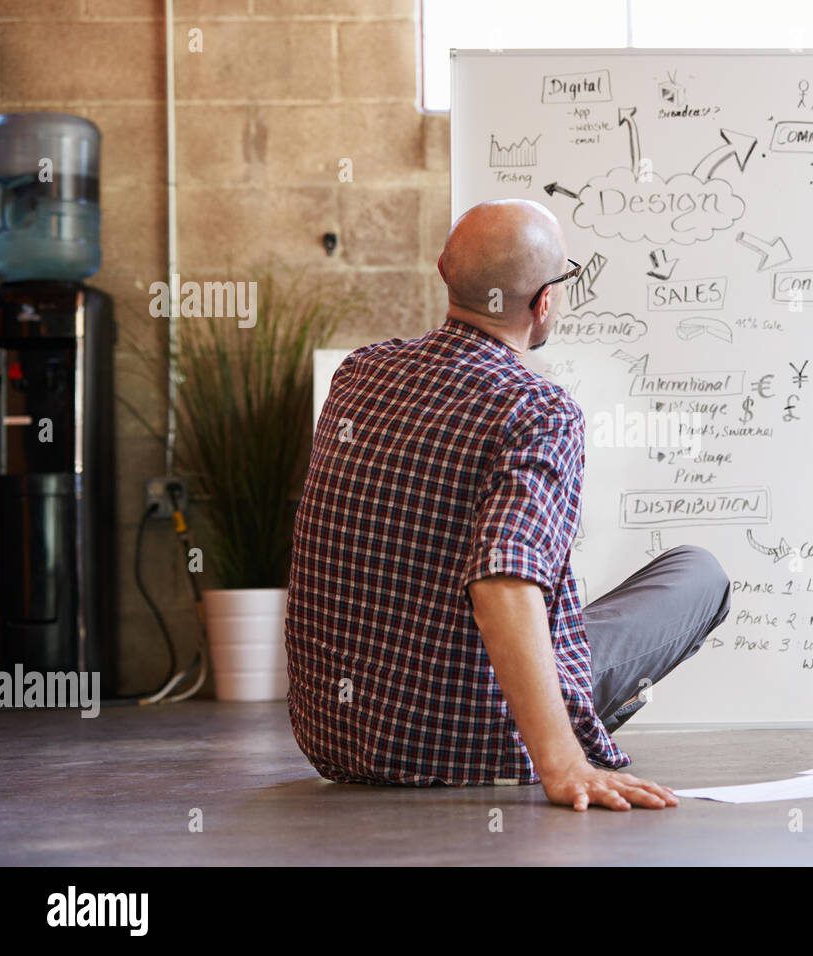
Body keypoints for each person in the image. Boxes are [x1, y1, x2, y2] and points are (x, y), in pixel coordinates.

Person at [285, 198, 731, 812]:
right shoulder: (539, 410)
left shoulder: (359, 375)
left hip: (337, 737)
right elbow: (502, 581)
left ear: (443, 271)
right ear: (544, 301)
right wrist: (563, 764)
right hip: (467, 742)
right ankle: (560, 734)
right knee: (697, 573)